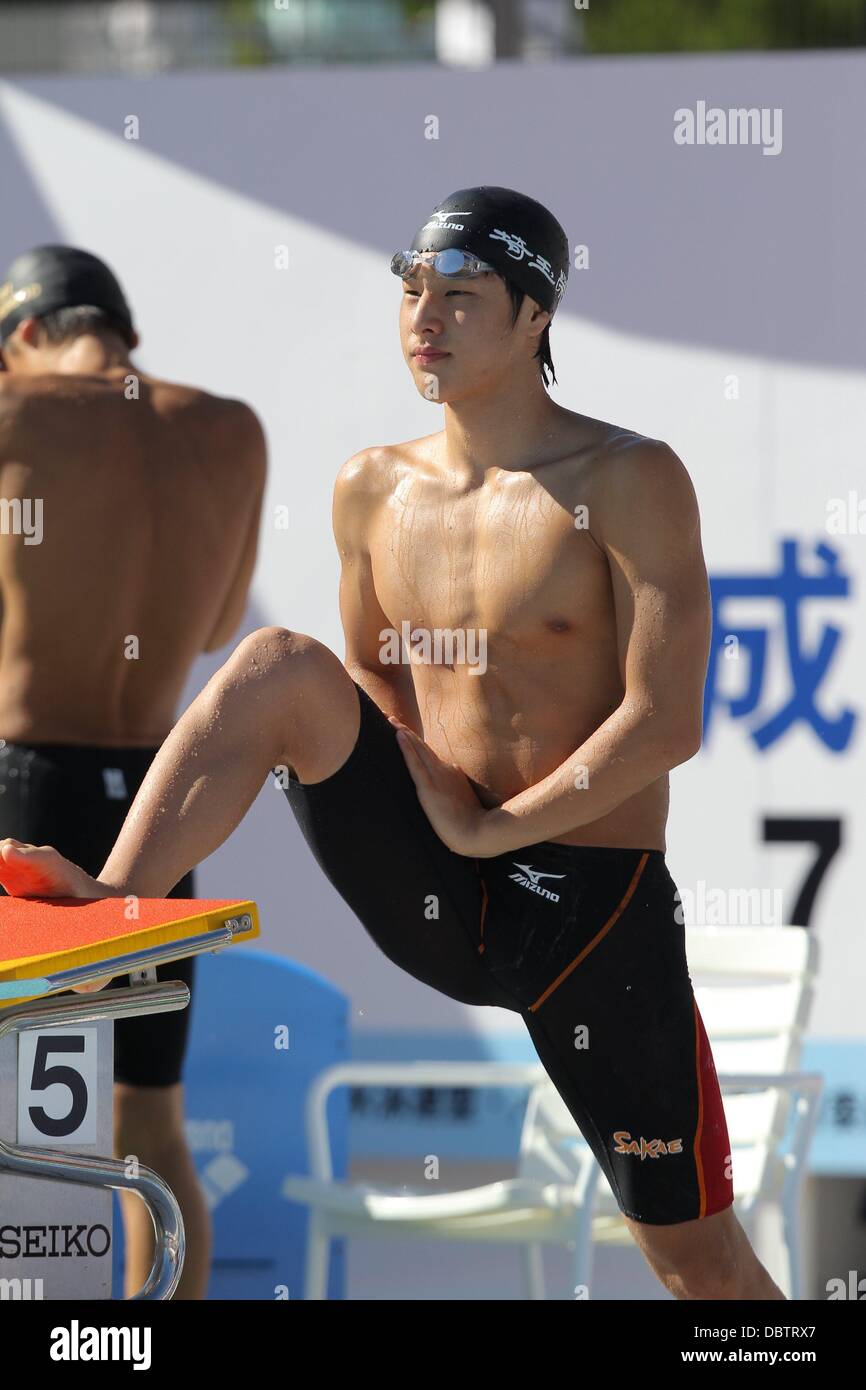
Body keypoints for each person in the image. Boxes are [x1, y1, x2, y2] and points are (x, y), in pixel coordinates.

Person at [0, 190, 783, 1299]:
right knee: (277, 665)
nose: (426, 319)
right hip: (435, 880)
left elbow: (666, 717)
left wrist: (495, 823)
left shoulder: (626, 478)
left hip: (586, 912)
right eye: (412, 293)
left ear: (532, 319)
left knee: (694, 1261)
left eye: (461, 297)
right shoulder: (371, 488)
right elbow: (368, 676)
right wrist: (428, 786)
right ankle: (108, 911)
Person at [0, 245, 266, 1298]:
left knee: (22, 1114)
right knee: (148, 1114)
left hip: (25, 799)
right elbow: (208, 623)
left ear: (24, 335)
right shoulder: (227, 429)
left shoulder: (15, 415)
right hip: (158, 809)